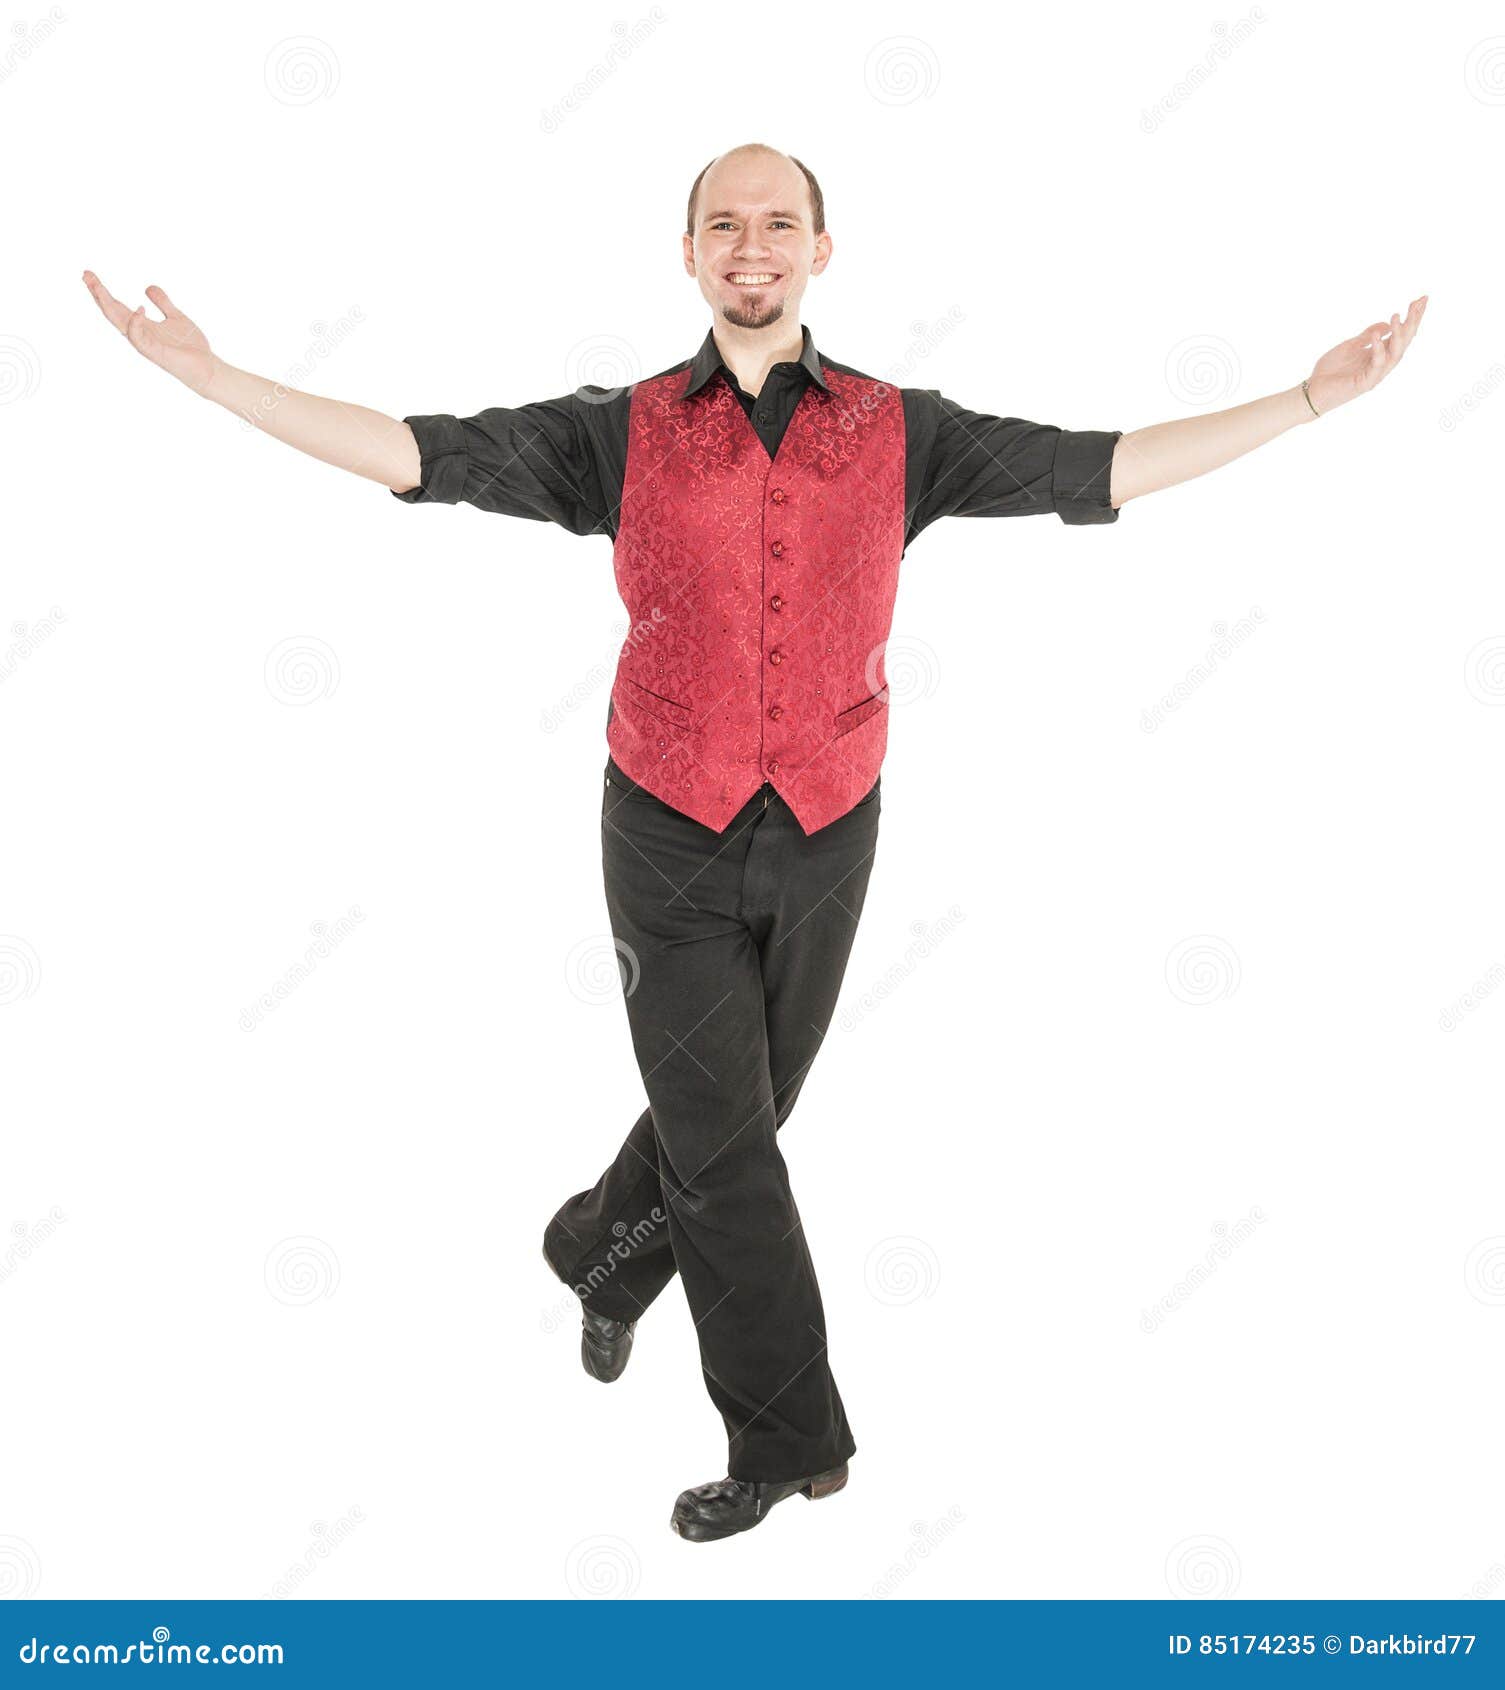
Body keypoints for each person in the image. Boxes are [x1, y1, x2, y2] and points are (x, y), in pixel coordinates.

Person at [83, 141, 1426, 1544]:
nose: (750, 244)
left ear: (819, 252)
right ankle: (791, 1443)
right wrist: (214, 379)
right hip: (665, 829)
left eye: (777, 223)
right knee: (729, 1157)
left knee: (738, 1114)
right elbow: (421, 452)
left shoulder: (905, 429)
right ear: (689, 255)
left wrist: (1308, 400)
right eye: (722, 224)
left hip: (833, 827)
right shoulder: (618, 432)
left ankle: (598, 1247)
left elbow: (1102, 465)